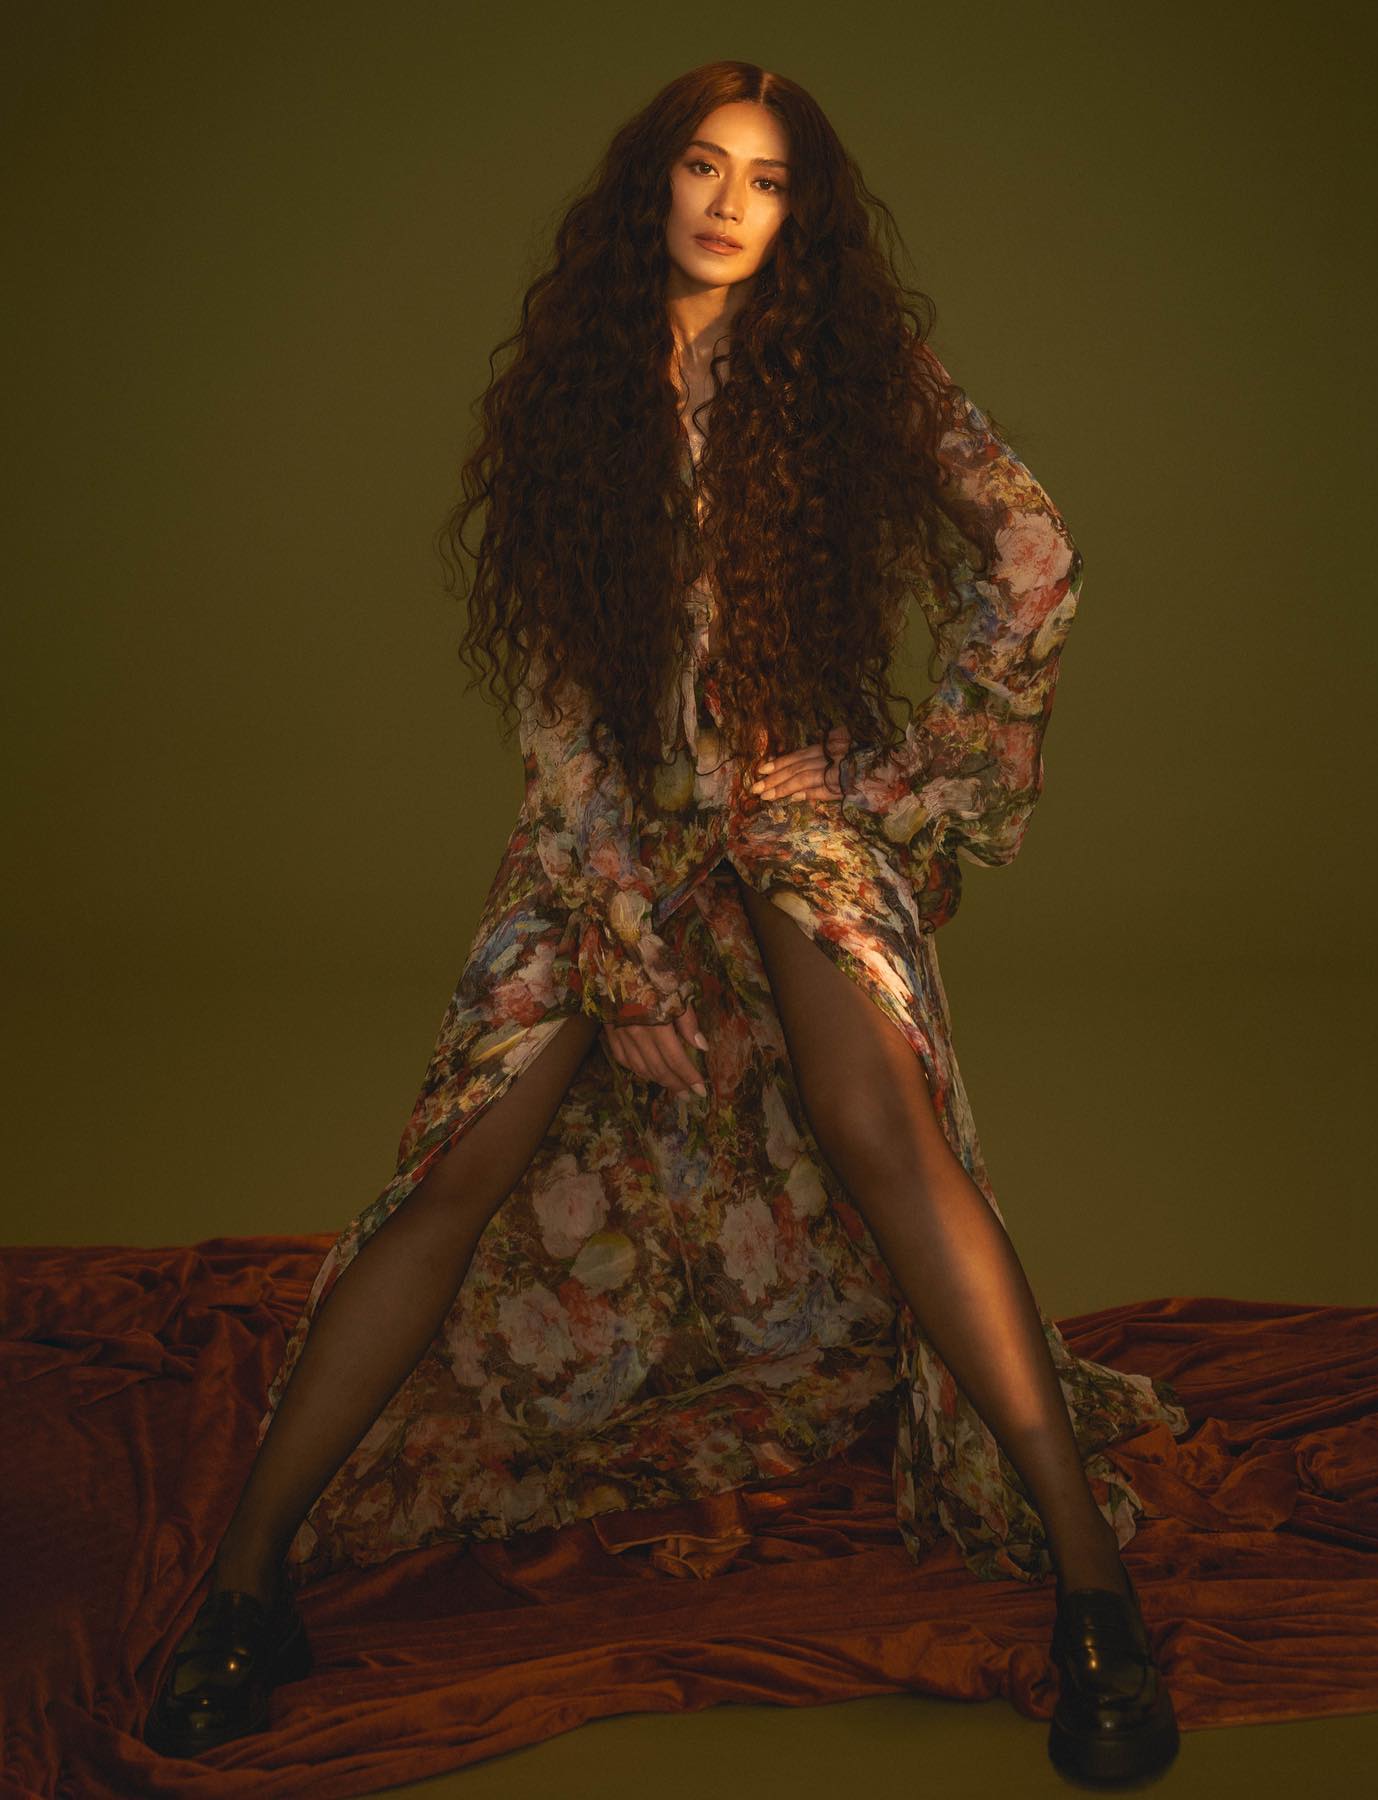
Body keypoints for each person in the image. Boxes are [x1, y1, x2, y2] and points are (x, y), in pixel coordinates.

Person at [144, 59, 1188, 1785]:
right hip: (603, 827)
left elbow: (1031, 553)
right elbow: (562, 710)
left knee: (885, 1127)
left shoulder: (856, 372)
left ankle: (1095, 1595)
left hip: (791, 802)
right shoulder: (578, 389)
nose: (727, 203)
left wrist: (912, 784)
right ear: (656, 185)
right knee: (460, 1167)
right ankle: (246, 1591)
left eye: (765, 182)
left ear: (800, 219)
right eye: (704, 167)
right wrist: (619, 934)